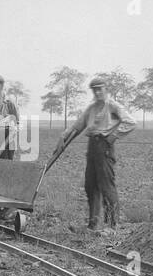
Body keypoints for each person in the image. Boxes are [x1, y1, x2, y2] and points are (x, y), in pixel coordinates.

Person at [47, 76, 136, 230]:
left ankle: (111, 226)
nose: (97, 92)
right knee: (90, 185)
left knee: (106, 186)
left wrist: (113, 136)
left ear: (105, 89)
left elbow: (130, 122)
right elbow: (78, 124)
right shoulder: (92, 107)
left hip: (104, 146)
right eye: (94, 90)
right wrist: (64, 136)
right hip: (92, 147)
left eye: (99, 89)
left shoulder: (113, 106)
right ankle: (93, 224)